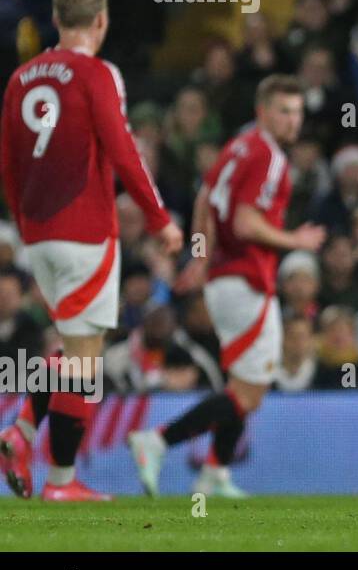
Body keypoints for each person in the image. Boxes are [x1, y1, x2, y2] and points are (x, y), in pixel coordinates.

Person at [0, 0, 182, 502]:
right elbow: (124, 149)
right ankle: (60, 482)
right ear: (101, 20)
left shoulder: (20, 78)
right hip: (84, 229)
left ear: (57, 19)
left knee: (73, 350)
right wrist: (159, 218)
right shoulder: (99, 73)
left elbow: (8, 163)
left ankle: (22, 431)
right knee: (84, 361)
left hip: (38, 233)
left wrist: (26, 227)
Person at [128, 76, 325, 498]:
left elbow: (205, 199)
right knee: (250, 394)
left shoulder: (239, 147)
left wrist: (201, 257)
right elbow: (245, 223)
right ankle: (157, 440)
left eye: (297, 112)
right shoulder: (269, 157)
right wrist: (295, 240)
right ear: (262, 111)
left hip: (224, 280)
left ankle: (214, 474)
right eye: (284, 111)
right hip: (247, 279)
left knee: (240, 385)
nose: (293, 121)